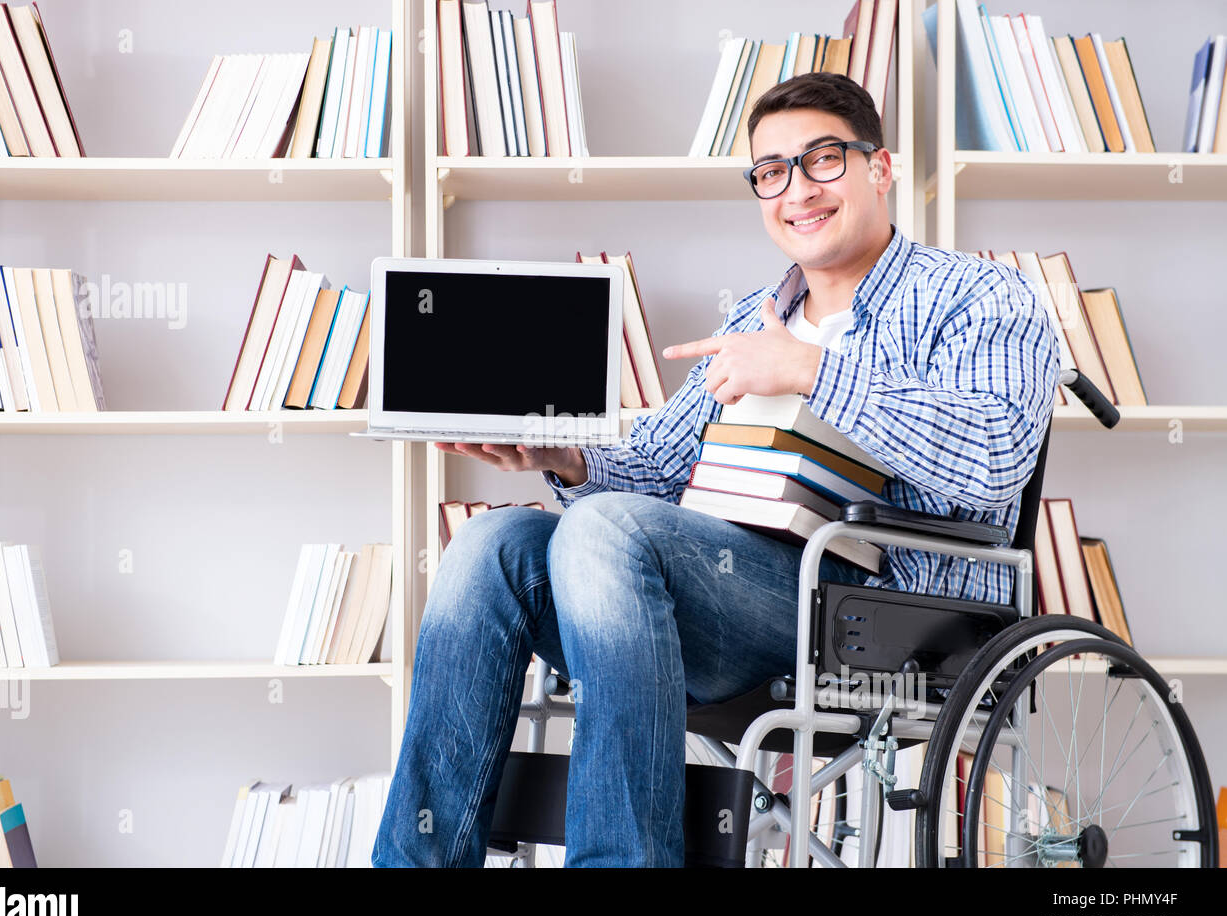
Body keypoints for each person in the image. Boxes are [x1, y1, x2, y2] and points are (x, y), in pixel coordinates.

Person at [372, 71, 1059, 867]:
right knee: (490, 545)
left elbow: (995, 455)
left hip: (882, 616)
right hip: (717, 591)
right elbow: (661, 466)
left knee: (602, 529)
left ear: (882, 168)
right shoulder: (754, 319)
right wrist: (563, 455)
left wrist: (810, 370)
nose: (796, 189)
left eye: (823, 159)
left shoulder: (978, 295)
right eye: (772, 172)